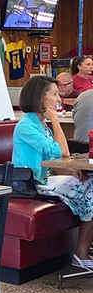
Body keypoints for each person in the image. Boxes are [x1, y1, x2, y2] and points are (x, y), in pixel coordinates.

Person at [13, 75, 93, 269]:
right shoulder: (26, 126)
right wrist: (56, 120)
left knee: (89, 184)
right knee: (91, 190)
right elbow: (63, 152)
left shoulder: (41, 124)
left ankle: (82, 250)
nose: (59, 99)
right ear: (41, 98)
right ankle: (81, 253)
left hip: (44, 179)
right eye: (55, 94)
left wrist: (72, 171)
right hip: (31, 186)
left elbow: (53, 160)